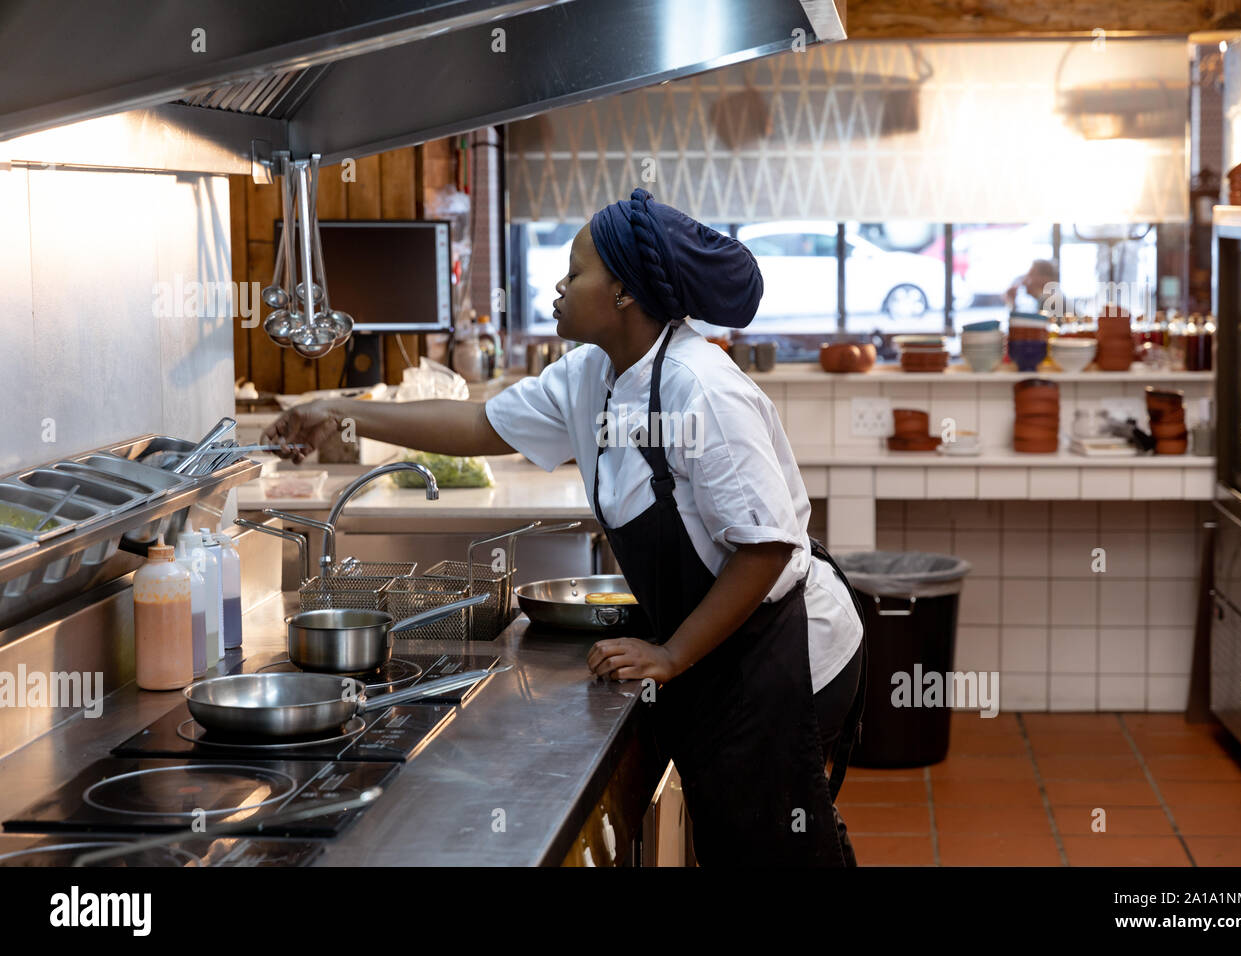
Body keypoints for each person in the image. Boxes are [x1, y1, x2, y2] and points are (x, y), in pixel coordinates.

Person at [261, 188, 866, 866]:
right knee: (748, 843)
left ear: (624, 294)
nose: (558, 284)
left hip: (783, 652)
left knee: (776, 850)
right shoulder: (592, 375)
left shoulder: (702, 389)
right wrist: (340, 410)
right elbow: (478, 423)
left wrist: (670, 656)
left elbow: (764, 549)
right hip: (721, 654)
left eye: (575, 270)